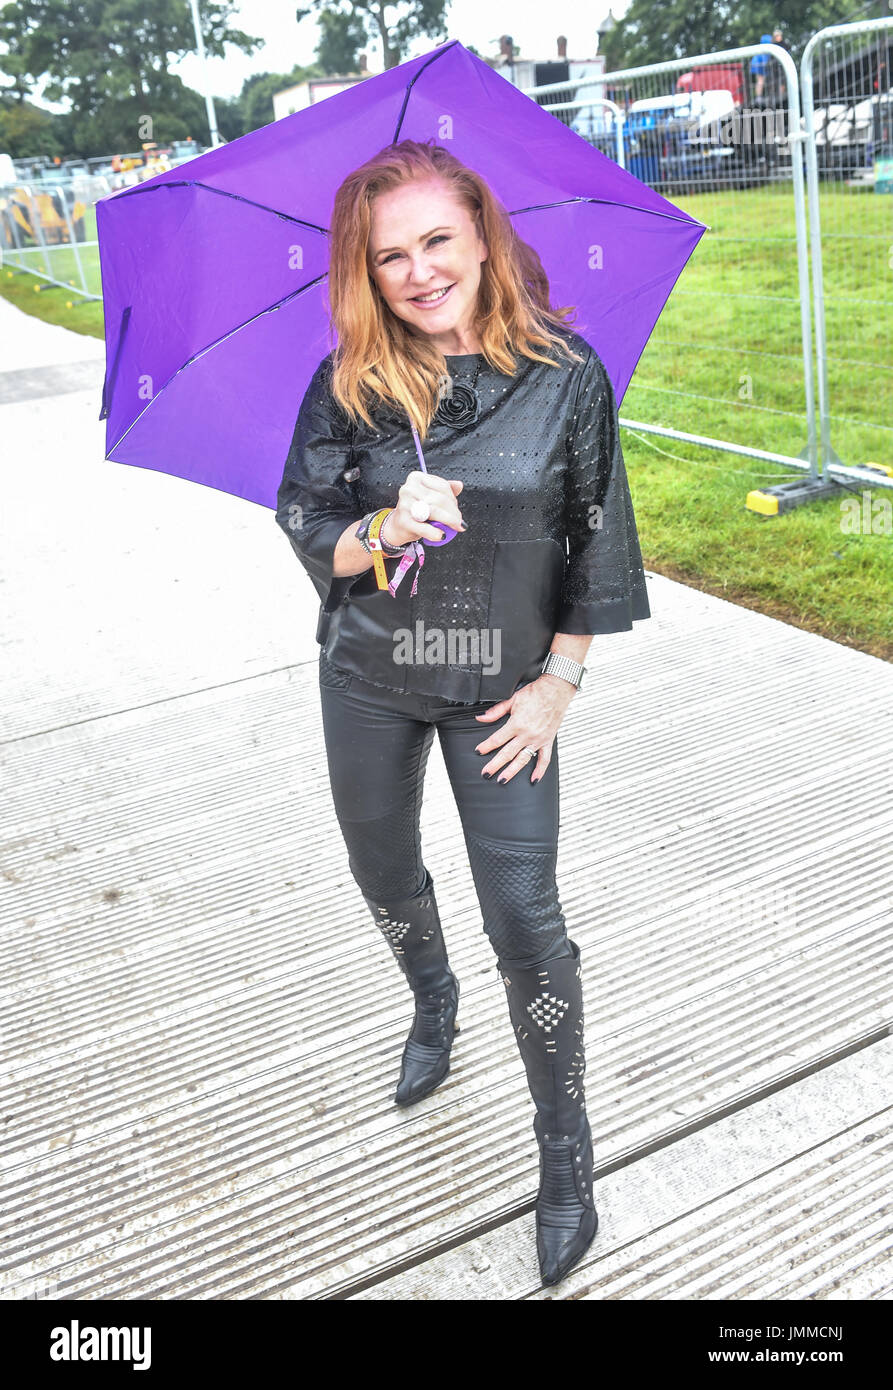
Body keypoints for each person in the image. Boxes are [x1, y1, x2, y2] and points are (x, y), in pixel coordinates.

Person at [275, 138, 651, 1288]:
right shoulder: (349, 383)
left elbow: (598, 538)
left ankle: (564, 1150)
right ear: (365, 270)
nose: (417, 270)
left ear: (482, 235)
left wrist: (556, 684)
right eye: (389, 255)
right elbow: (308, 529)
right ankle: (430, 999)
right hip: (371, 679)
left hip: (500, 693)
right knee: (383, 870)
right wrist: (385, 525)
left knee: (527, 921)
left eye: (437, 239)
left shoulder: (566, 373)